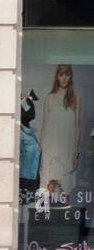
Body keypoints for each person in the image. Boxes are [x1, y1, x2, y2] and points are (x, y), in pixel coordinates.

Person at [39, 64, 80, 202]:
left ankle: (66, 222)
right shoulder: (49, 98)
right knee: (49, 186)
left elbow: (77, 127)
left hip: (67, 148)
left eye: (67, 74)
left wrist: (76, 153)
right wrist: (41, 152)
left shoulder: (75, 99)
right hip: (51, 148)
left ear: (70, 77)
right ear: (57, 77)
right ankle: (44, 220)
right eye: (61, 74)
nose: (64, 78)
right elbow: (44, 126)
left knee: (65, 190)